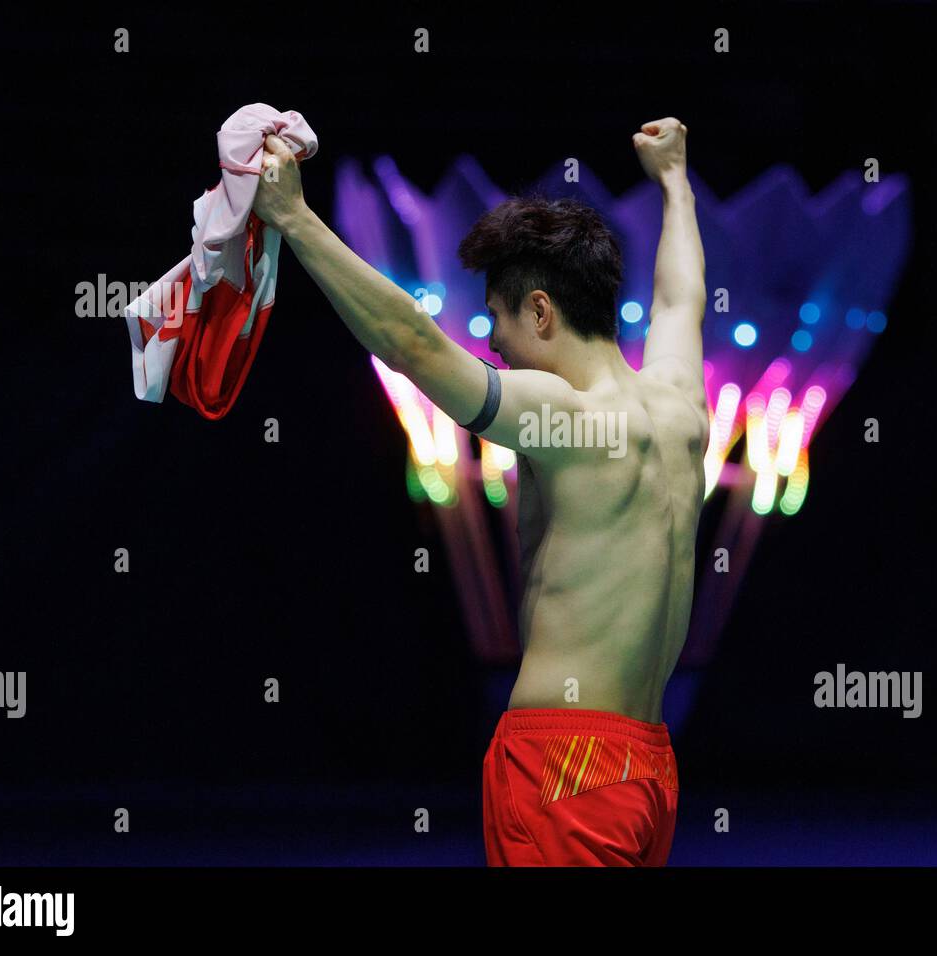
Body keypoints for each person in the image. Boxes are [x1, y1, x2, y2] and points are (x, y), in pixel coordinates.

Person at [253, 117, 708, 866]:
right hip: (650, 769)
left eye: (496, 319)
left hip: (562, 763)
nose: (491, 343)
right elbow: (679, 302)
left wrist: (295, 218)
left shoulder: (565, 419)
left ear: (539, 310)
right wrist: (675, 181)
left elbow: (412, 343)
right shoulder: (681, 403)